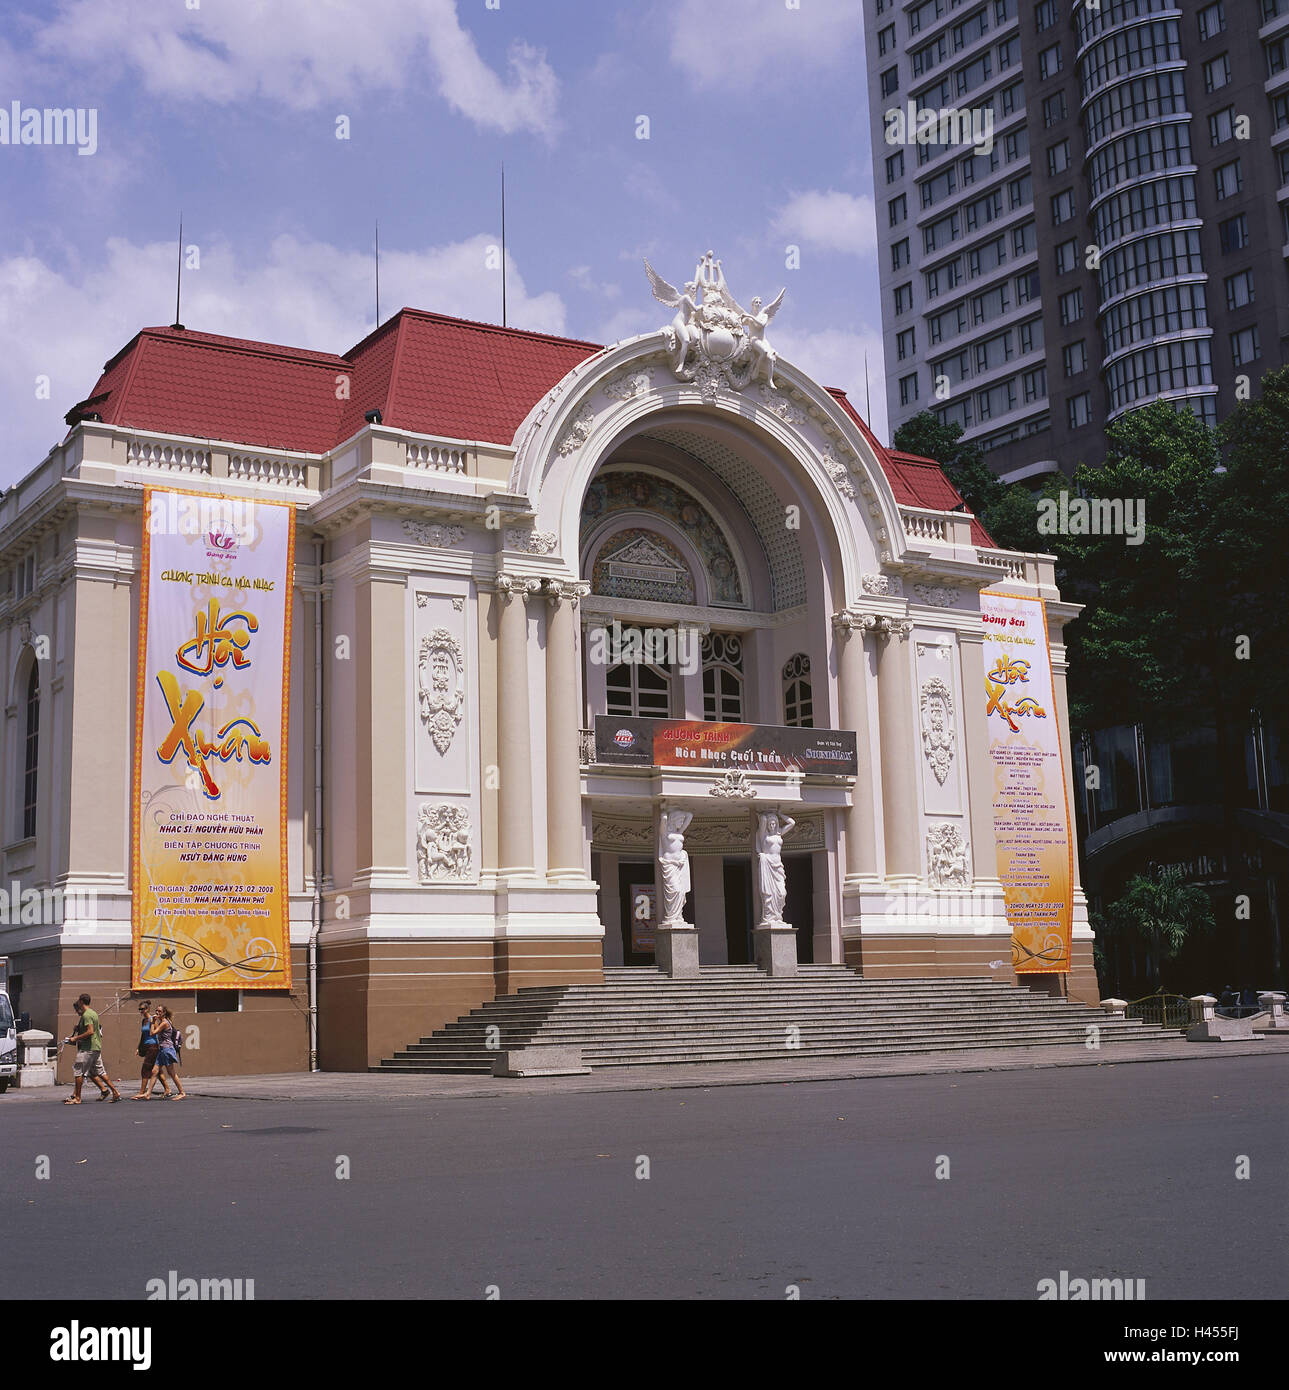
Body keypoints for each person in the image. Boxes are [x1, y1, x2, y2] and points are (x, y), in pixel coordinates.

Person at [61, 993, 121, 1104]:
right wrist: (79, 1028)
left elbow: (90, 1031)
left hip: (87, 1048)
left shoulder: (87, 1015)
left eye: (79, 1001)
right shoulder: (93, 1013)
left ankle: (77, 1098)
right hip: (96, 1046)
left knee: (78, 1071)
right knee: (99, 1072)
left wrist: (75, 1038)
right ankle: (115, 1091)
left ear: (81, 1002)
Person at [138, 1006, 186, 1100]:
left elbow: (152, 1033)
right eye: (156, 1010)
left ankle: (182, 1092)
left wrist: (152, 1022)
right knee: (154, 1071)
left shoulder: (164, 1023)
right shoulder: (162, 1022)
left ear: (164, 1013)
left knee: (171, 1072)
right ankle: (148, 1093)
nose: (157, 1012)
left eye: (159, 1011)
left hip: (167, 1049)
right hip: (162, 1050)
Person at [132, 999, 170, 1099]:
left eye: (143, 1009)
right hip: (147, 1046)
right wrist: (138, 1048)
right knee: (156, 1070)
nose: (141, 1011)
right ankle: (167, 1089)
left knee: (145, 1069)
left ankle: (142, 1092)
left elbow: (157, 1032)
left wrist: (161, 1046)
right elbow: (143, 1035)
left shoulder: (153, 1020)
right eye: (139, 1009)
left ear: (148, 1009)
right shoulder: (144, 1021)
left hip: (153, 1047)